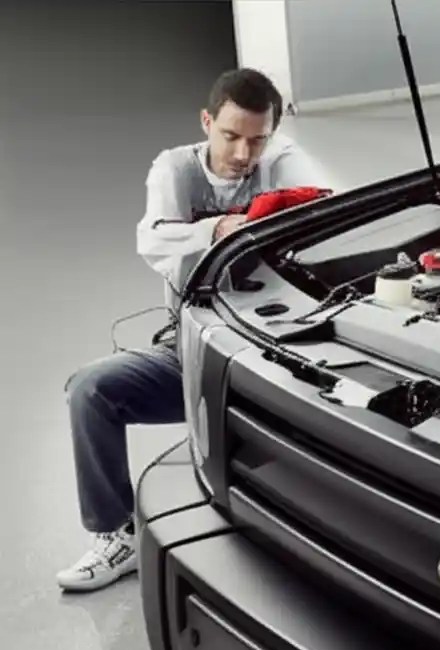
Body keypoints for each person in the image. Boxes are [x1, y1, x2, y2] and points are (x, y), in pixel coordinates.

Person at [57, 68, 334, 592]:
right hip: (193, 348)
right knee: (90, 391)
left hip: (272, 351)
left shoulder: (282, 160)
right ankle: (116, 534)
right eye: (230, 136)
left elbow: (330, 207)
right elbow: (152, 241)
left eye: (257, 139)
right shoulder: (174, 169)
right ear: (207, 122)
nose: (244, 153)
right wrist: (219, 227)